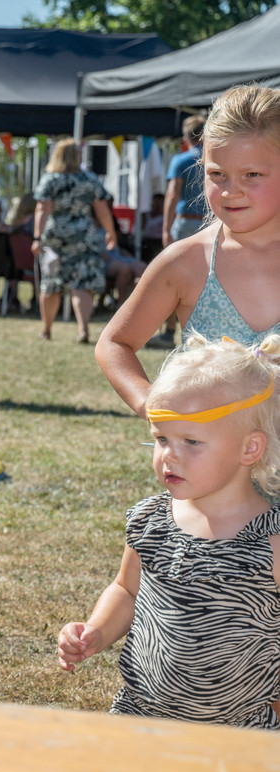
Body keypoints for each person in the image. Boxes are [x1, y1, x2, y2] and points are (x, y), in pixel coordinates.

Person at [58, 336, 280, 730]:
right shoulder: (151, 521)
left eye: (191, 442)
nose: (169, 455)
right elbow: (126, 590)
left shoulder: (271, 540)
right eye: (161, 439)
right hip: (142, 718)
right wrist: (96, 630)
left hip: (241, 730)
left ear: (250, 449)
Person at [97, 85, 280, 419]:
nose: (230, 191)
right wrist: (150, 403)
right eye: (216, 174)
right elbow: (114, 344)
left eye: (252, 175)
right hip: (210, 470)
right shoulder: (185, 262)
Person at [32, 138, 119, 343]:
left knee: (51, 283)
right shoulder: (88, 179)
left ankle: (46, 330)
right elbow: (101, 208)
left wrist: (37, 236)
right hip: (84, 235)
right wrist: (110, 232)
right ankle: (83, 329)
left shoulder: (50, 179)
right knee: (83, 282)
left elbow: (42, 208)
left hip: (56, 237)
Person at [147, 117, 209, 350]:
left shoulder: (181, 160)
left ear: (186, 138)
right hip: (211, 225)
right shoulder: (214, 158)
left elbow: (172, 195)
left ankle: (169, 332)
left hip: (185, 224)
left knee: (175, 280)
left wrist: (165, 228)